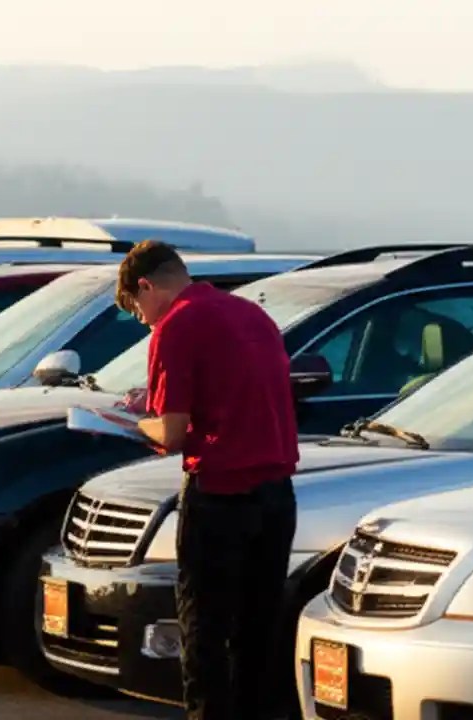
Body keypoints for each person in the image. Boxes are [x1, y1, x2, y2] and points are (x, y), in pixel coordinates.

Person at [115, 240, 299, 720]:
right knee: (258, 628)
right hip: (277, 491)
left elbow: (172, 434)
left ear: (146, 286)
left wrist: (133, 423)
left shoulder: (176, 325)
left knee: (204, 628)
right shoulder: (251, 315)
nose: (144, 321)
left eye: (138, 309)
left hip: (219, 492)